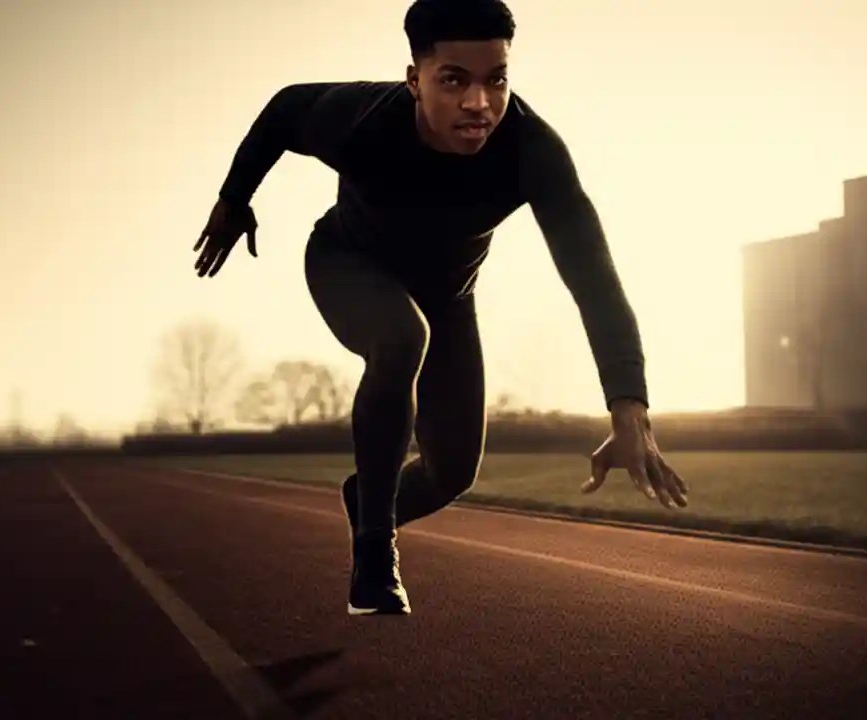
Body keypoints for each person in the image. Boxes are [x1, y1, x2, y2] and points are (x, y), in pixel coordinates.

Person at [192, 0, 689, 617]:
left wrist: (628, 407)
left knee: (454, 471)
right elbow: (284, 108)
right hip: (348, 264)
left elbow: (594, 279)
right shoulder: (362, 120)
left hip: (450, 298)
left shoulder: (532, 152)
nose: (479, 104)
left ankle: (369, 500)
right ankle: (375, 555)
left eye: (496, 79)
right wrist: (233, 198)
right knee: (402, 336)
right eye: (454, 79)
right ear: (414, 80)